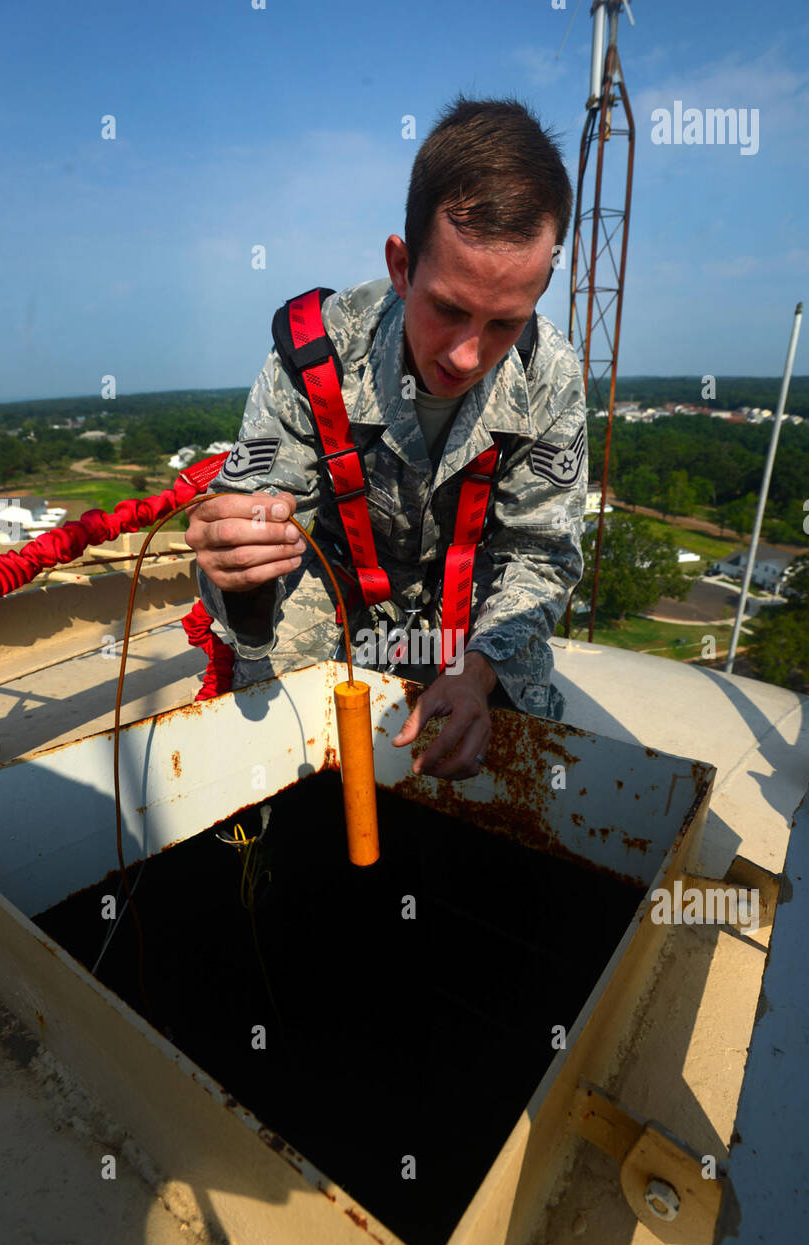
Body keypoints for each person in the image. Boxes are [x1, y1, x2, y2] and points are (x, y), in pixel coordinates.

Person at [187, 96, 587, 781]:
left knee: (525, 769)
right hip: (335, 599)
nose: (466, 355)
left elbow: (538, 554)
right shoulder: (314, 357)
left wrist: (477, 673)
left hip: (473, 620)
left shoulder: (547, 376)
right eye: (448, 309)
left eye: (503, 323)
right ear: (401, 267)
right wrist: (237, 565)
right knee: (273, 751)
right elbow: (261, 538)